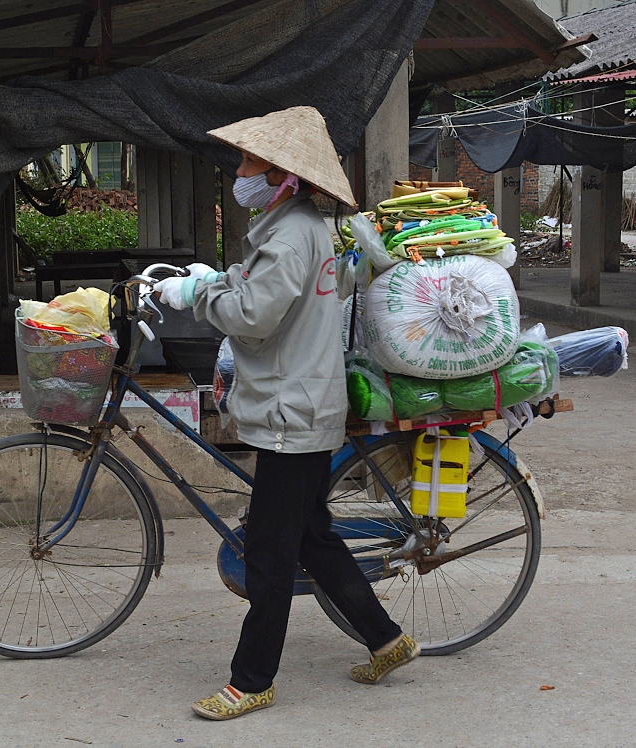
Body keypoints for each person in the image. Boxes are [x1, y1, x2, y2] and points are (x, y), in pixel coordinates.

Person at [153, 106, 420, 721]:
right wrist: (213, 281)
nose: (239, 171)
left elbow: (252, 315)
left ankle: (251, 681)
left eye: (251, 162)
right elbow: (260, 293)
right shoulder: (291, 227)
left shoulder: (293, 233)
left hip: (291, 414)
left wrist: (198, 295)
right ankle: (386, 639)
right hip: (297, 402)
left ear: (282, 175)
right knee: (312, 537)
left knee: (270, 553)